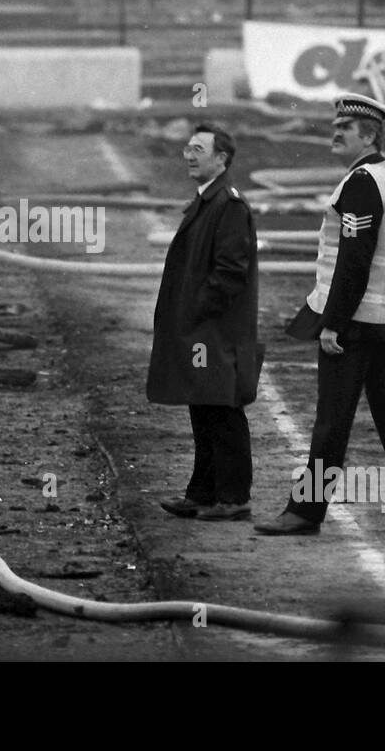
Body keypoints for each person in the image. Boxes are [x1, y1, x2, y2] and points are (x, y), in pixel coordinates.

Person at [254, 93, 385, 536]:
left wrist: (334, 324)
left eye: (346, 127)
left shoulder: (361, 182)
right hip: (383, 317)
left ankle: (304, 513)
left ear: (369, 135)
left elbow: (354, 261)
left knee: (331, 421)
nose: (335, 132)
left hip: (355, 322)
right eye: (335, 125)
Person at [147, 124, 261, 522]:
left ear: (221, 159)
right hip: (202, 328)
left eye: (198, 149)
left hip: (215, 329)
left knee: (223, 409)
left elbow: (230, 271)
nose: (189, 155)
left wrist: (196, 309)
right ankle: (203, 493)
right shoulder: (207, 200)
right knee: (204, 407)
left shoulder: (227, 205)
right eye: (188, 148)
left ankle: (233, 498)